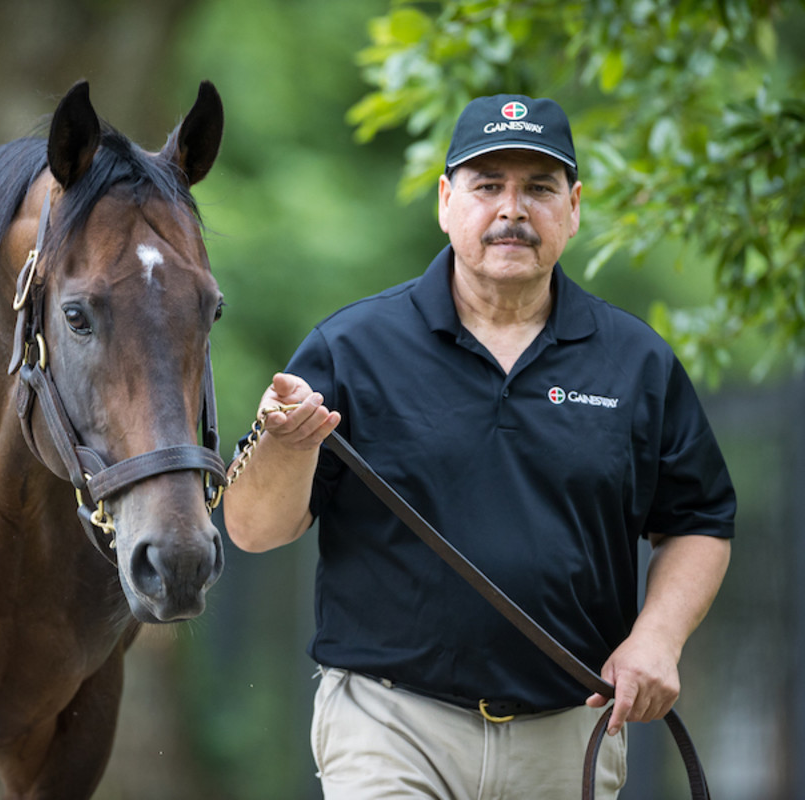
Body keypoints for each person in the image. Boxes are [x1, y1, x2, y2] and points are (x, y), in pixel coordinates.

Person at [222, 94, 734, 799]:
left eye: (539, 189)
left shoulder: (637, 363)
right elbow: (252, 529)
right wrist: (284, 445)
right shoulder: (351, 348)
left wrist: (658, 639)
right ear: (445, 201)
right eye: (488, 185)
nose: (512, 210)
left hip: (567, 731)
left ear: (574, 207)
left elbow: (699, 521)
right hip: (390, 724)